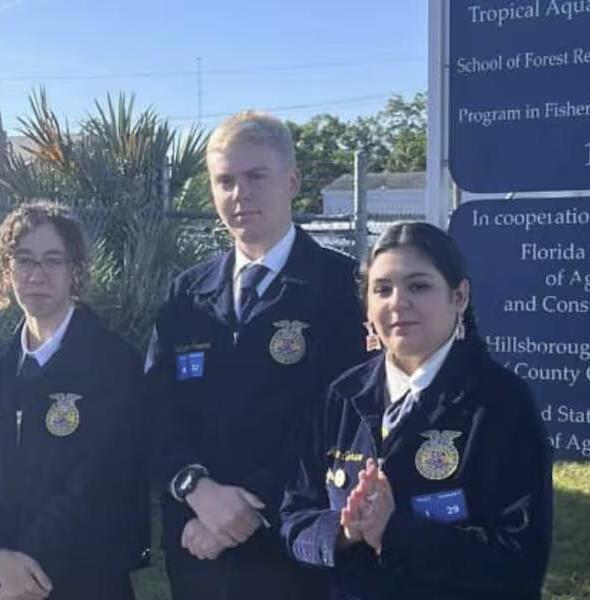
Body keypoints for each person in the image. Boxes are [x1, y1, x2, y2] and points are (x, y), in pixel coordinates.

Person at [145, 110, 365, 600]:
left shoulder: (342, 289)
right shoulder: (187, 293)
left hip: (294, 550)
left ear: (292, 181)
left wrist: (246, 506)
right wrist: (195, 489)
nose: (239, 194)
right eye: (225, 181)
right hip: (197, 547)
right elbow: (156, 409)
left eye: (255, 176)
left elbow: (340, 420)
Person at [281, 221, 553, 600]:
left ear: (459, 297)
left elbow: (519, 563)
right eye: (382, 289)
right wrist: (343, 533)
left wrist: (392, 533)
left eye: (418, 286)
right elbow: (295, 517)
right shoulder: (343, 395)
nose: (397, 302)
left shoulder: (500, 403)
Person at [0, 201, 148, 600]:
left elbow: (98, 480)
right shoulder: (2, 367)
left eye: (53, 260)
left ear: (75, 270)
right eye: (24, 260)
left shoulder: (115, 363)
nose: (37, 275)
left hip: (85, 577)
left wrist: (26, 563)